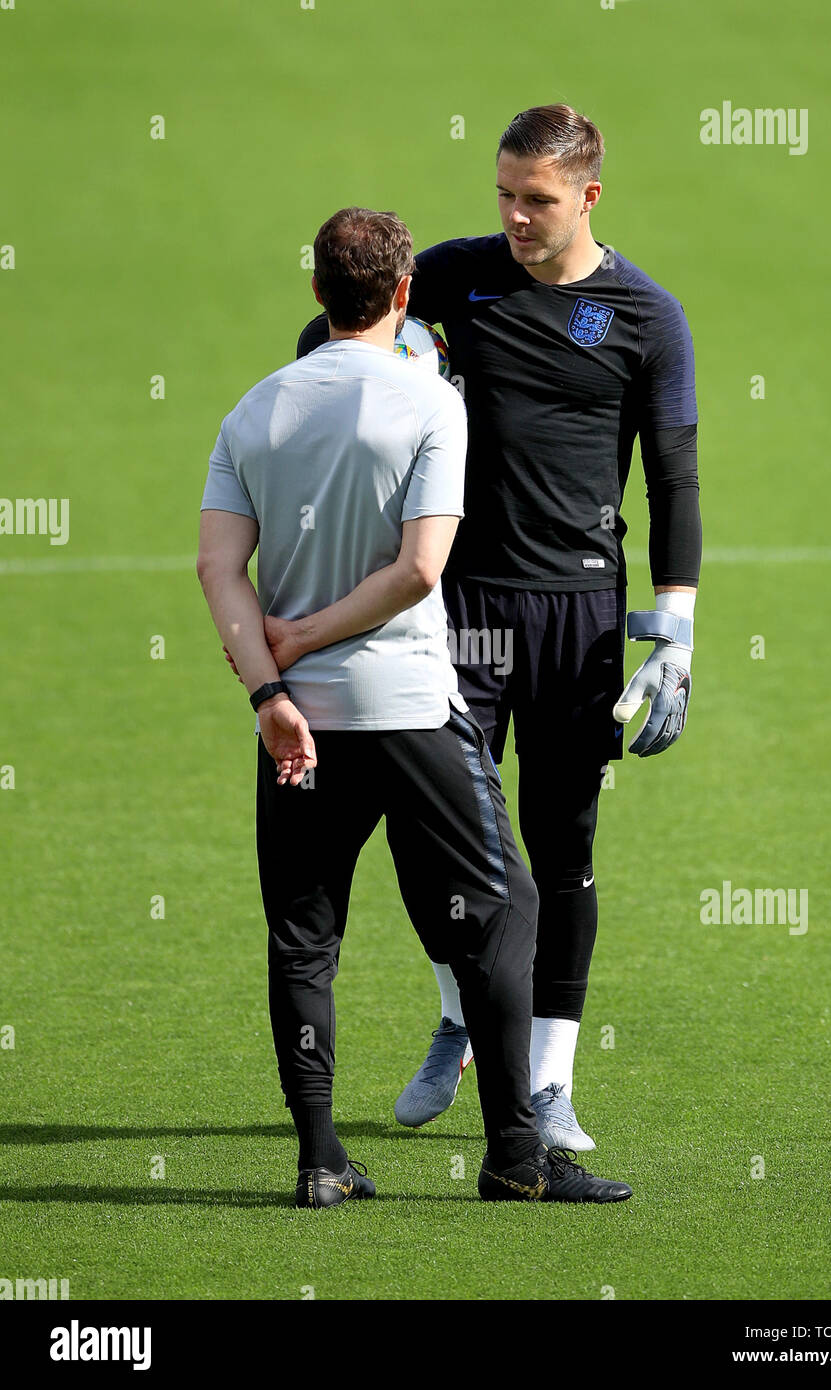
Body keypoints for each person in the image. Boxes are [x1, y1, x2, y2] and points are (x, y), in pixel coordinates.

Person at [198, 205, 633, 1207]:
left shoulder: (251, 411)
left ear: (315, 292)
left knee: (304, 934)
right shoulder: (432, 403)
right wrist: (308, 638)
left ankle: (318, 1159)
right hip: (407, 707)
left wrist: (270, 682)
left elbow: (218, 567)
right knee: (507, 905)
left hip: (295, 720)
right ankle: (516, 1153)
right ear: (403, 296)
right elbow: (418, 569)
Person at [287, 107, 702, 1155]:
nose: (516, 217)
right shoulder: (453, 277)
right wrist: (401, 361)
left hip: (577, 619)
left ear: (588, 198)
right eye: (505, 194)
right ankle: (461, 1013)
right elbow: (325, 332)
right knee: (438, 847)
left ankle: (550, 1085)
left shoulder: (646, 317)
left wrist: (679, 627)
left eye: (538, 201)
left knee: (561, 851)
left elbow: (672, 477)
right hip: (456, 609)